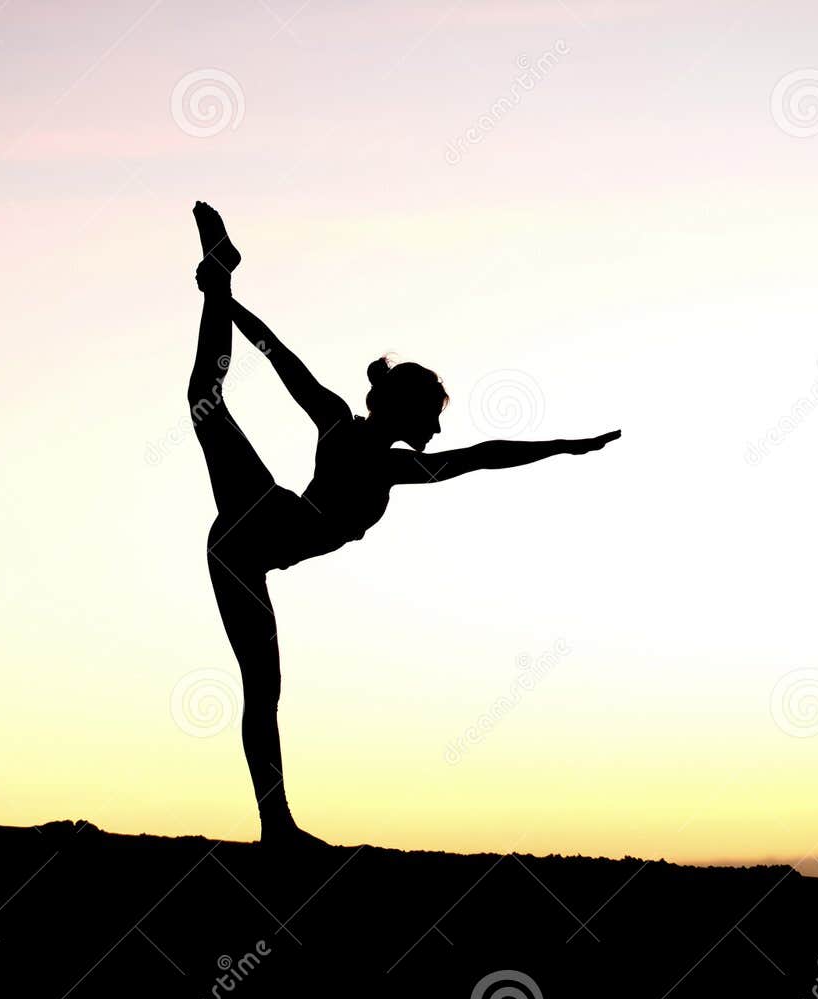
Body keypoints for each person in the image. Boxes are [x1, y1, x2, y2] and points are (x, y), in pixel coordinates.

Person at [187, 202, 619, 848]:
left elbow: (278, 354)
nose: (439, 429)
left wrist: (227, 302)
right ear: (407, 411)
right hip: (265, 521)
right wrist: (565, 446)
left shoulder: (342, 425)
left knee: (206, 402)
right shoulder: (386, 466)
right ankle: (276, 825)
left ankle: (276, 825)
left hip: (241, 551)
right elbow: (481, 456)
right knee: (205, 403)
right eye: (433, 416)